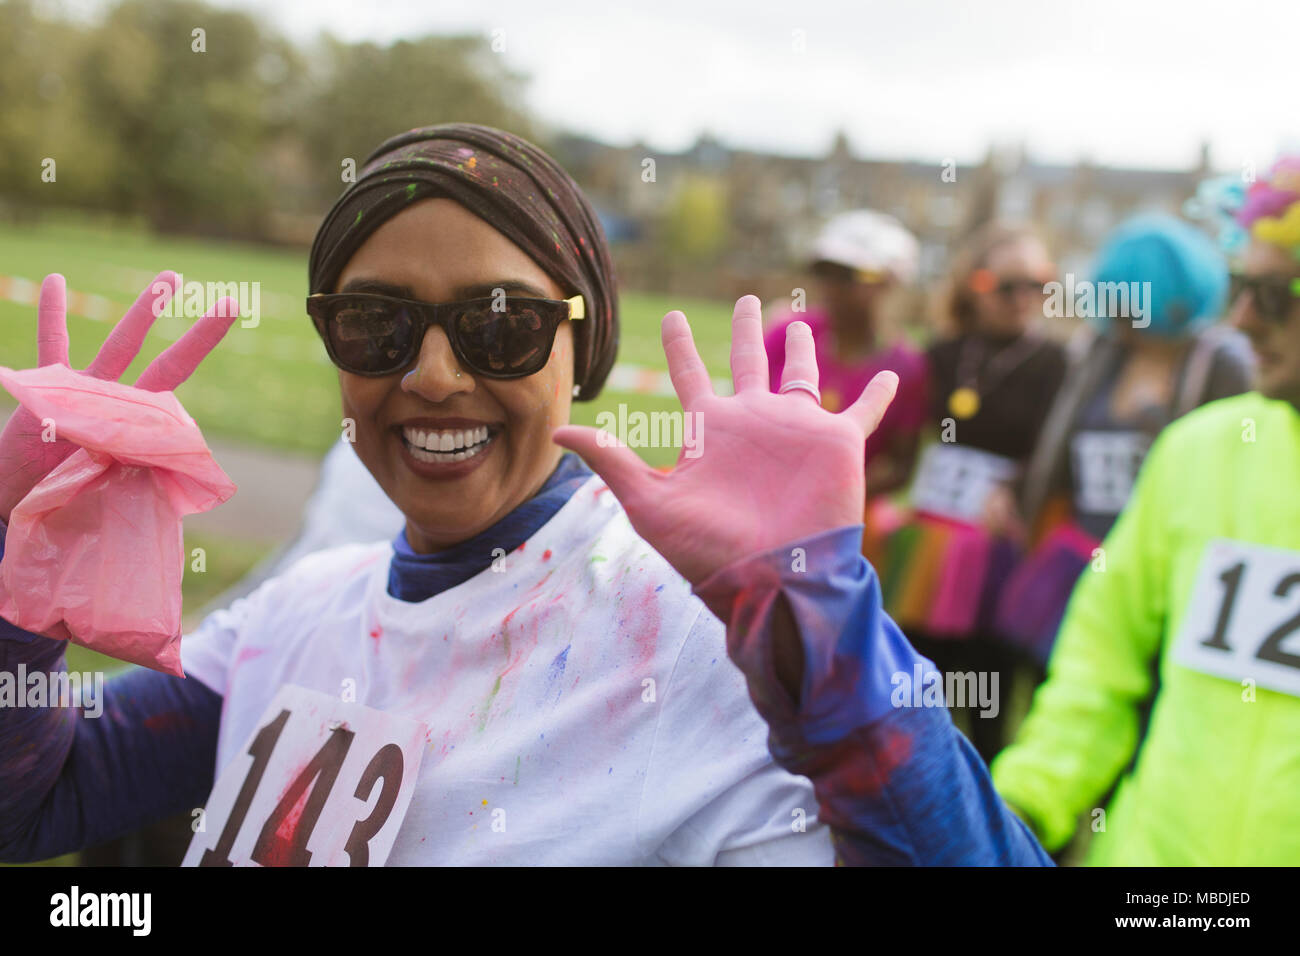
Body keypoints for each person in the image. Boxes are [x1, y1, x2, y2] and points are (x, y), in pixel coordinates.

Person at [0, 123, 1051, 867]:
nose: (435, 376)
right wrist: (19, 590)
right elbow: (39, 800)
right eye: (377, 323)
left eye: (500, 322)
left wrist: (826, 627)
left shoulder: (708, 653)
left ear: (580, 346)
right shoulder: (299, 609)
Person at [991, 158, 1300, 864]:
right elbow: (1097, 671)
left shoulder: (1208, 378)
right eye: (1242, 288)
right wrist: (1022, 806)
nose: (1242, 318)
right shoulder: (1197, 451)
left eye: (1274, 296)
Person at [996, 213, 1253, 667]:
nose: (1120, 316)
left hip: (1164, 573)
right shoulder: (1102, 352)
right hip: (1081, 556)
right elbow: (1060, 445)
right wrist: (1017, 490)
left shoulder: (1221, 365)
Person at [868, 222, 1066, 764]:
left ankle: (989, 826)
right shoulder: (944, 354)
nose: (1025, 298)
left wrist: (1016, 487)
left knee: (989, 695)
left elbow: (1058, 449)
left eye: (1039, 285)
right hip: (929, 544)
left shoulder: (1056, 363)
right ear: (976, 285)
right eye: (1010, 285)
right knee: (910, 685)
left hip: (1000, 548)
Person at [764, 210, 929, 498]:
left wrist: (829, 494)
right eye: (824, 272)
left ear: (888, 282)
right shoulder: (789, 334)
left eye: (849, 276)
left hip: (834, 522)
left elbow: (900, 467)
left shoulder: (907, 369)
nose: (831, 286)